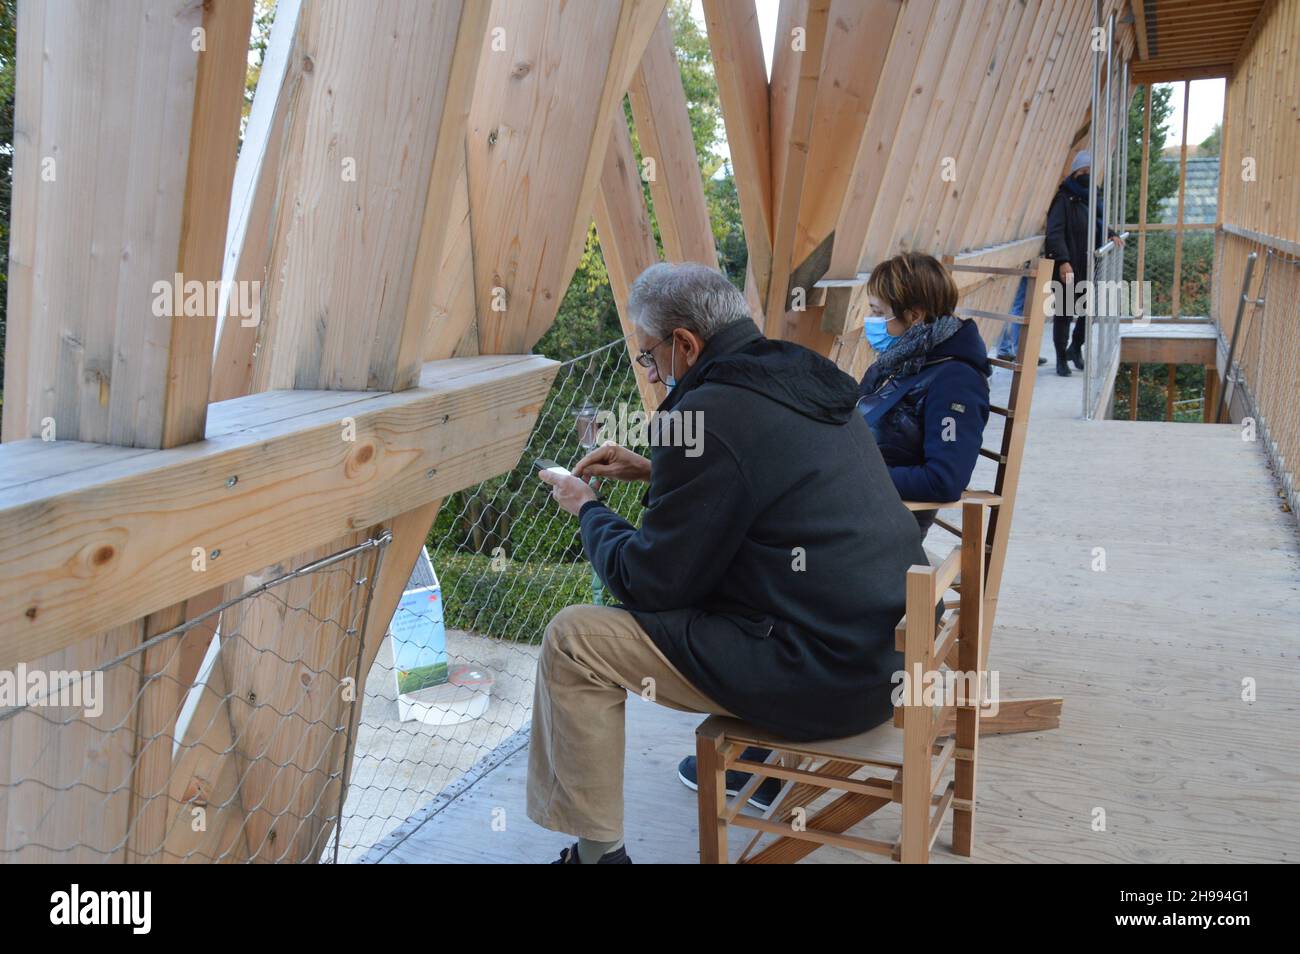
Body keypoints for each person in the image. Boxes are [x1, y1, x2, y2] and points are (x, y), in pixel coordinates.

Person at [530, 262, 927, 863]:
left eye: (650, 357)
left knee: (573, 641)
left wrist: (586, 508)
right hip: (887, 656)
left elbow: (650, 582)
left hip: (821, 677)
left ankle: (598, 858)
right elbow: (761, 480)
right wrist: (654, 466)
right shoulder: (799, 373)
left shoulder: (706, 418)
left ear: (685, 344)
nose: (654, 371)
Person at [856, 252, 992, 536]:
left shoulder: (956, 382)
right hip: (852, 508)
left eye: (879, 313)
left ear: (915, 316)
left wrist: (855, 478)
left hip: (884, 525)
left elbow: (944, 480)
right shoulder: (899, 360)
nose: (871, 321)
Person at [1045, 149, 1123, 377]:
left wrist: (1110, 234)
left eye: (1090, 170)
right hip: (1069, 265)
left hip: (1090, 265)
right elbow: (1054, 233)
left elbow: (1096, 225)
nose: (1087, 174)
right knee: (1064, 312)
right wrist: (1062, 261)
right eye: (1083, 170)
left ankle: (1075, 348)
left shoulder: (1092, 198)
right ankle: (1061, 357)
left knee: (1089, 311)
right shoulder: (1063, 200)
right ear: (1075, 172)